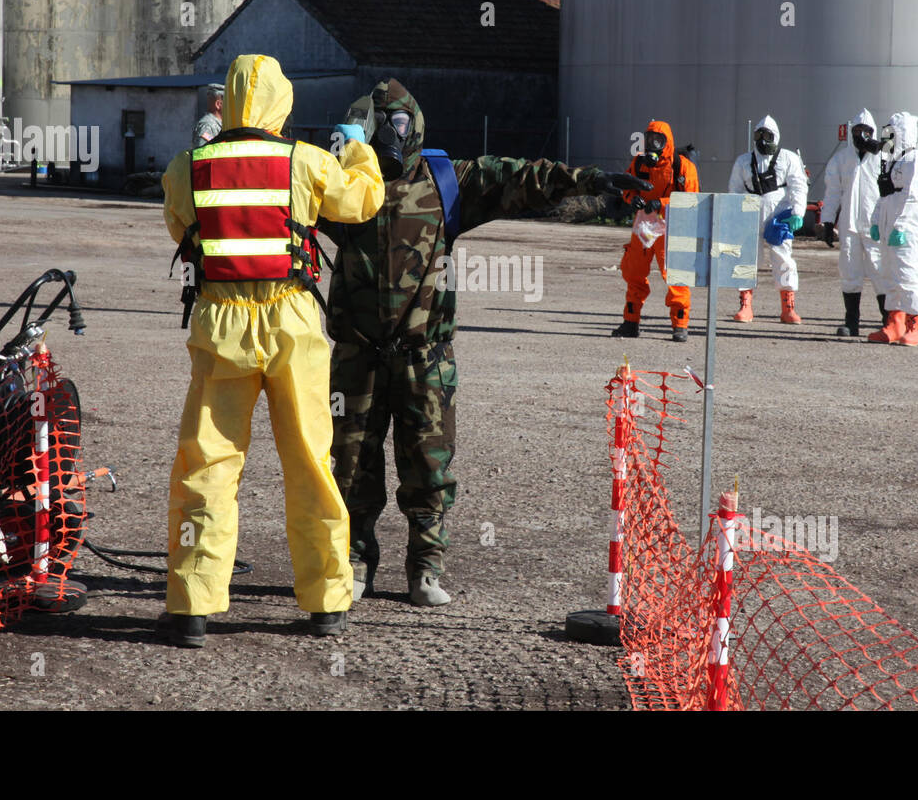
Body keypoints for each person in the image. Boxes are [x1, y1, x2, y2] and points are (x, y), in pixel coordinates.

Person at [321, 79, 649, 607]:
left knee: (429, 465)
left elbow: (521, 175)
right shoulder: (337, 186)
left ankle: (424, 568)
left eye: (399, 125)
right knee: (350, 463)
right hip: (357, 356)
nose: (390, 137)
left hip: (424, 357)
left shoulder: (446, 180)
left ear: (416, 126)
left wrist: (588, 180)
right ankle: (356, 560)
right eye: (379, 126)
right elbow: (278, 192)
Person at [158, 55, 383, 646]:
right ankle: (327, 602)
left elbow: (180, 225)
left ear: (225, 103)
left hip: (219, 324)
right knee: (310, 461)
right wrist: (357, 148)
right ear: (281, 103)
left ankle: (191, 609)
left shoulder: (189, 165)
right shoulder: (306, 162)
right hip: (293, 324)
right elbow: (361, 203)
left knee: (207, 465)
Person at [610, 120, 700, 341]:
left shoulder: (683, 166)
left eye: (658, 140)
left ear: (667, 142)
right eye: (649, 139)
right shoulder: (640, 163)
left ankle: (680, 324)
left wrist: (661, 203)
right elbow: (627, 187)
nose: (653, 144)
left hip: (672, 227)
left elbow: (692, 199)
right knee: (634, 273)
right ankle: (631, 322)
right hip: (644, 224)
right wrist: (634, 200)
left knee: (675, 276)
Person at [727, 115, 808, 323]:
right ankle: (745, 305)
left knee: (783, 259)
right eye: (759, 135)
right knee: (746, 258)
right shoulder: (743, 161)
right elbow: (734, 189)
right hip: (750, 213)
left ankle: (788, 307)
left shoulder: (788, 158)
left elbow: (798, 185)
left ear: (776, 136)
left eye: (768, 135)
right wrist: (736, 214)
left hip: (779, 214)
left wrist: (798, 212)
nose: (763, 140)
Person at [867, 111, 918, 346]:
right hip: (888, 227)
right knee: (890, 275)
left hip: (908, 230)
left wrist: (901, 226)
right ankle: (894, 323)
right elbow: (883, 196)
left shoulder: (915, 160)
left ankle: (915, 324)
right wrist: (876, 222)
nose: (887, 139)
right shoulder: (892, 161)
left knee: (908, 274)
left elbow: (911, 197)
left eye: (891, 134)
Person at [822, 109, 886, 336]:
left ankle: (889, 320)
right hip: (849, 223)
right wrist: (828, 221)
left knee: (880, 269)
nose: (861, 135)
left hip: (875, 224)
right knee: (849, 269)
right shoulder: (841, 159)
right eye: (857, 131)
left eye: (866, 131)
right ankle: (851, 322)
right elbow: (833, 192)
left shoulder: (882, 158)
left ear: (873, 132)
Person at [191, 83, 224, 148]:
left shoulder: (219, 124)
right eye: (228, 102)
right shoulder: (207, 126)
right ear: (218, 104)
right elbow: (202, 154)